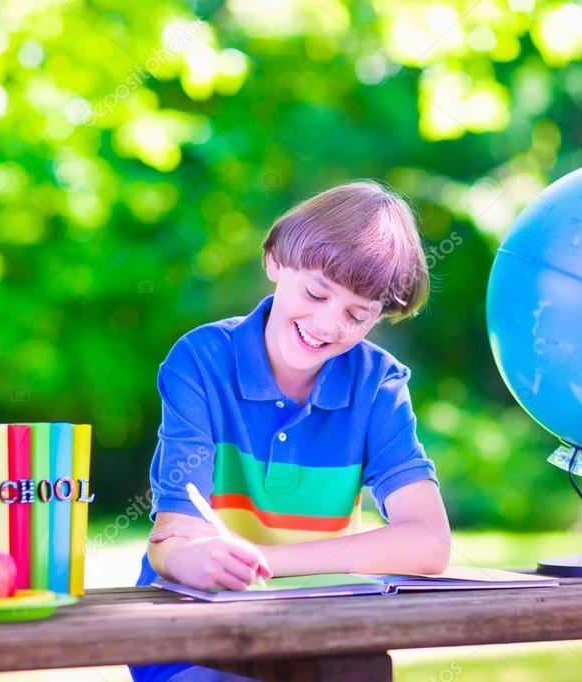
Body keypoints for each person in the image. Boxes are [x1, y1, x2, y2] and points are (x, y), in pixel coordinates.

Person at [129, 181, 452, 681]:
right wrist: (196, 560)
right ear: (275, 261)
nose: (327, 324)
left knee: (358, 668)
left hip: (312, 631)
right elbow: (172, 536)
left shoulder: (378, 384)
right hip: (192, 640)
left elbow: (429, 541)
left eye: (356, 314)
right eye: (316, 293)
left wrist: (267, 560)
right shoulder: (201, 361)